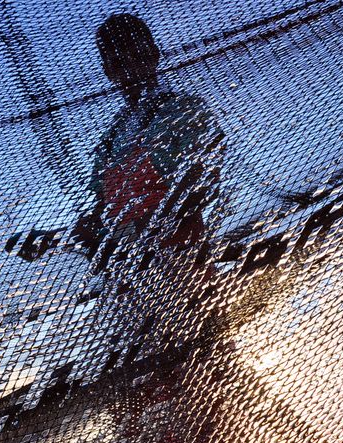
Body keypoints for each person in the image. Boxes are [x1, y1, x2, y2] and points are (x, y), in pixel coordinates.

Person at [71, 13, 225, 369]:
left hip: (181, 261)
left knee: (202, 361)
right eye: (115, 63)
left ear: (153, 54)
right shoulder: (113, 134)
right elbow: (101, 204)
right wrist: (82, 231)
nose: (125, 71)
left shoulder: (181, 109)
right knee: (140, 372)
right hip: (128, 276)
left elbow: (200, 178)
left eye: (133, 57)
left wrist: (151, 223)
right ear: (108, 71)